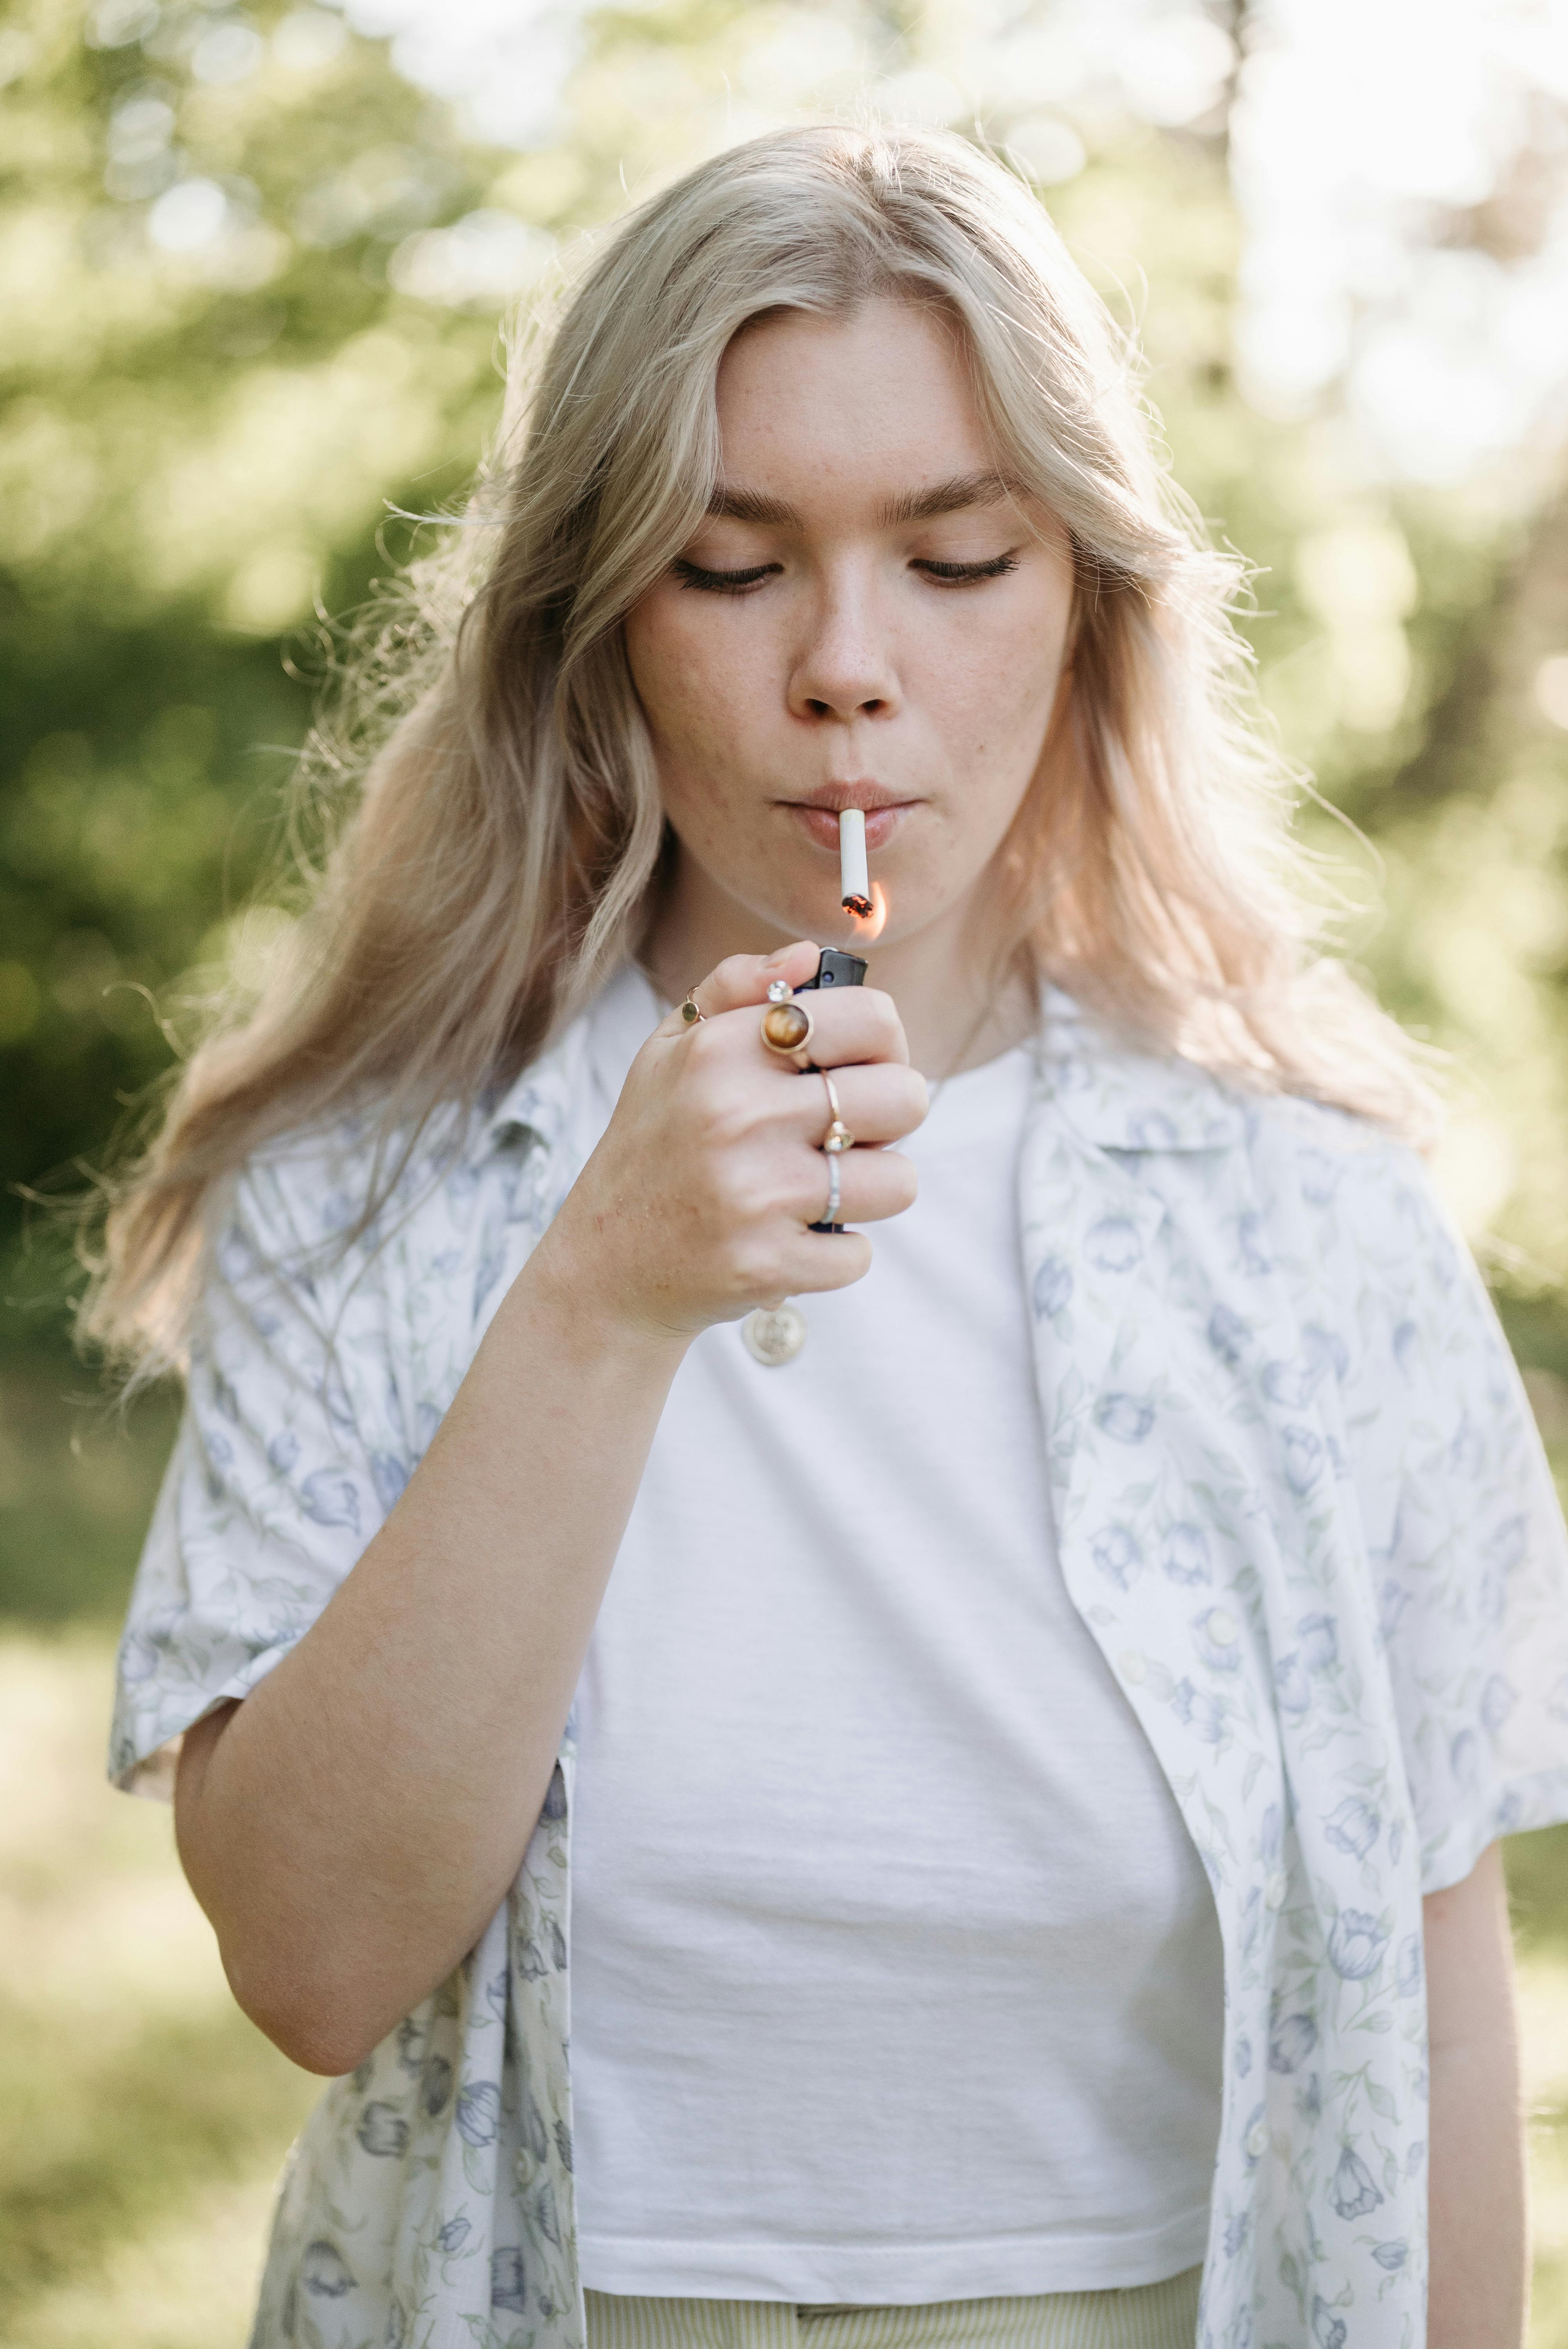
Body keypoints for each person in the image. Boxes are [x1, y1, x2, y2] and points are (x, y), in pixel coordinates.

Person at [98, 125, 1568, 2349]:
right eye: (730, 563)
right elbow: (307, 1964)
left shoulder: (1312, 1210)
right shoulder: (378, 1177)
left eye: (961, 557)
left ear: (1087, 597)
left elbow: (1443, 1987)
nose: (848, 669)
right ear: (598, 617)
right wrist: (603, 1295)